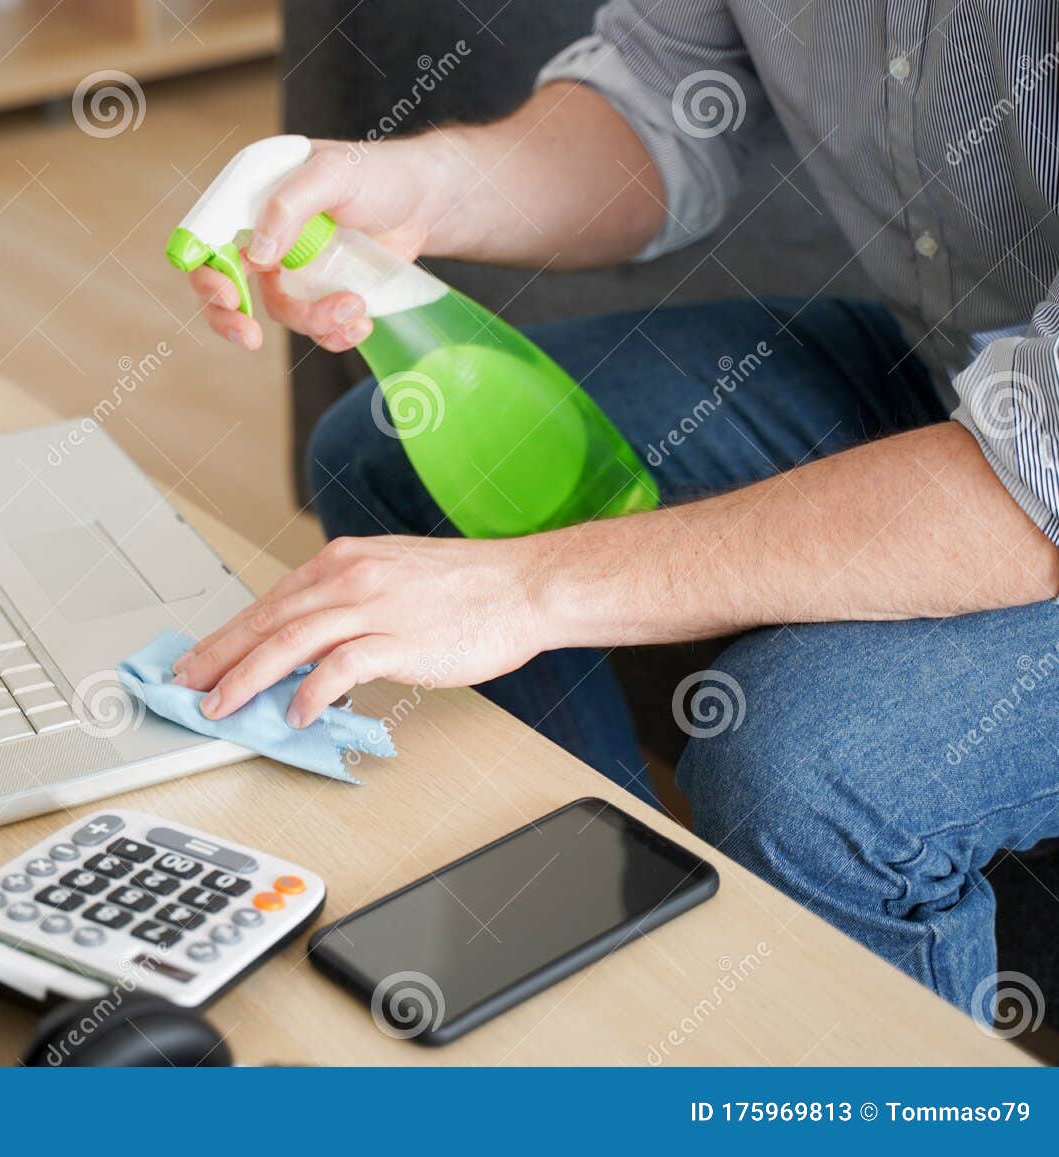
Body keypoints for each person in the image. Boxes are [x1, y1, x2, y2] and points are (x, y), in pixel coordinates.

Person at [173, 0, 1059, 1015]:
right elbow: (662, 97)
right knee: (394, 460)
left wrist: (529, 589)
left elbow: (1041, 470)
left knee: (805, 772)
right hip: (966, 368)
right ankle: (603, 974)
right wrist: (421, 186)